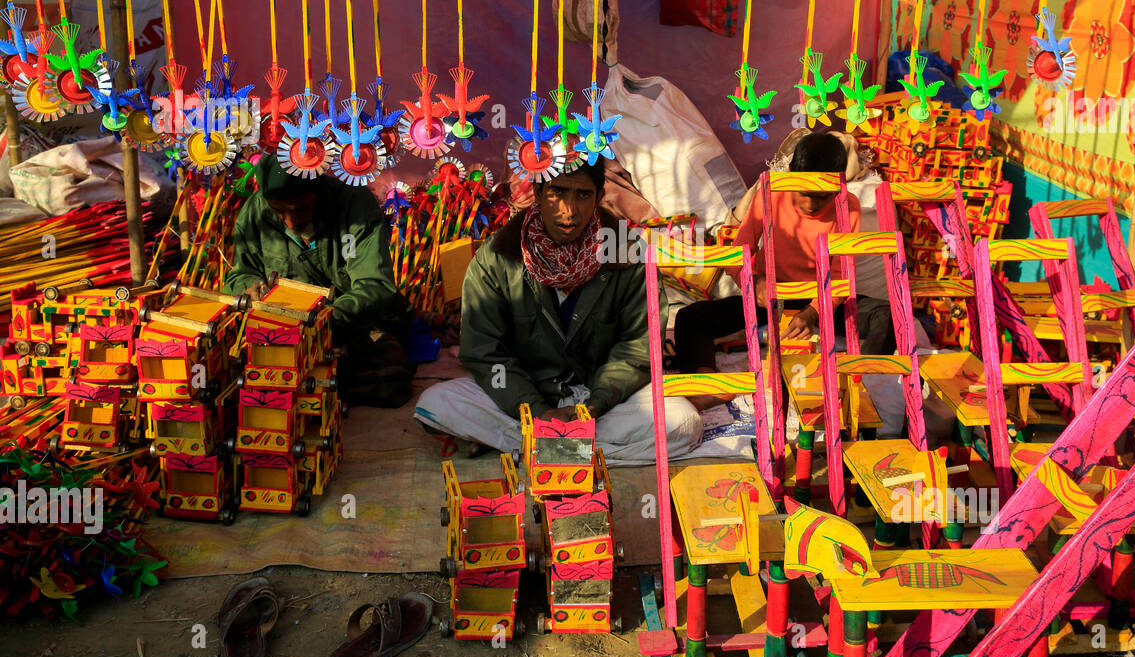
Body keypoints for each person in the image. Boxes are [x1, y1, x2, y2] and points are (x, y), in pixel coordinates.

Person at [414, 158, 701, 462]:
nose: (569, 210)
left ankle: (536, 448)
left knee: (683, 422)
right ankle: (575, 448)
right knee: (437, 403)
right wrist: (538, 411)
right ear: (537, 193)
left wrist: (594, 406)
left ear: (599, 196)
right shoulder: (498, 256)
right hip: (528, 395)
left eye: (583, 195)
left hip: (602, 401)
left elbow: (637, 349)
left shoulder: (627, 252)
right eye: (557, 192)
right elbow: (485, 352)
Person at [671, 131, 861, 407]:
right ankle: (706, 384)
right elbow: (737, 256)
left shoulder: (848, 207)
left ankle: (856, 383)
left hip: (819, 300)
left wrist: (814, 312)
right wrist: (755, 281)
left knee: (883, 316)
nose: (810, 205)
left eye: (821, 198)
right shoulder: (770, 195)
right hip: (770, 295)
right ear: (792, 174)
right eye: (804, 194)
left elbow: (842, 273)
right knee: (690, 318)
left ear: (838, 183)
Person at [223, 154, 414, 408]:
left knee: (391, 373)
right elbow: (238, 275)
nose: (290, 223)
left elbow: (375, 287)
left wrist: (322, 323)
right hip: (277, 333)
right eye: (279, 212)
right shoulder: (256, 210)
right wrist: (249, 288)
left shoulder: (355, 206)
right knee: (226, 372)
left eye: (300, 208)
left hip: (346, 326)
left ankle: (311, 391)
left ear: (318, 191)